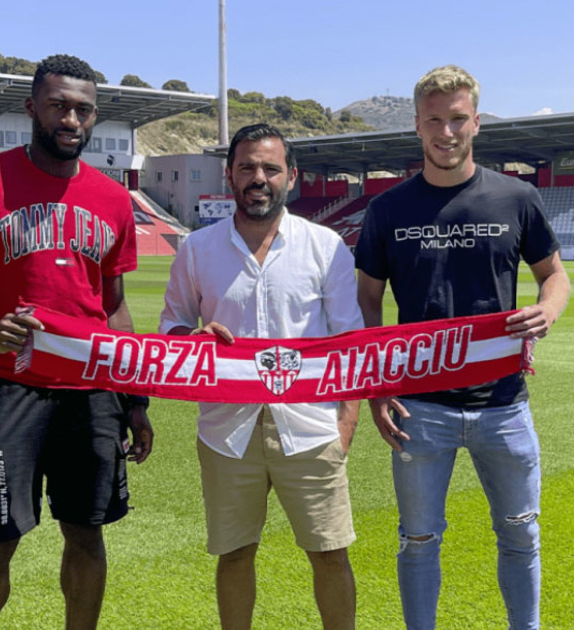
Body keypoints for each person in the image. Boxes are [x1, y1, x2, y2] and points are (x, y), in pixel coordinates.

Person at [0, 54, 154, 630]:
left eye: (83, 110)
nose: (70, 119)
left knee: (87, 532)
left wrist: (134, 399)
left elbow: (114, 304)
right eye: (57, 106)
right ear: (32, 108)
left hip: (92, 391)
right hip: (11, 389)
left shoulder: (113, 198)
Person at [353, 65, 570, 630]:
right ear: (417, 126)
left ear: (475, 121)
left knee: (521, 532)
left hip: (505, 405)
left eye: (457, 119)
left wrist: (547, 309)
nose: (445, 133)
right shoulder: (388, 210)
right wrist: (376, 386)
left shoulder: (515, 197)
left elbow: (555, 275)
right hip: (419, 409)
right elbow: (367, 304)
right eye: (434, 121)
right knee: (419, 539)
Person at [159, 123, 364, 630]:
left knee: (331, 554)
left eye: (270, 168)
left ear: (290, 177)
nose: (259, 178)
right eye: (247, 167)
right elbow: (171, 329)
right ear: (229, 174)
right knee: (234, 556)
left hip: (312, 429)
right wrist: (192, 338)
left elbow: (350, 343)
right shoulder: (196, 249)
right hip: (227, 431)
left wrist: (344, 429)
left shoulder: (326, 246)